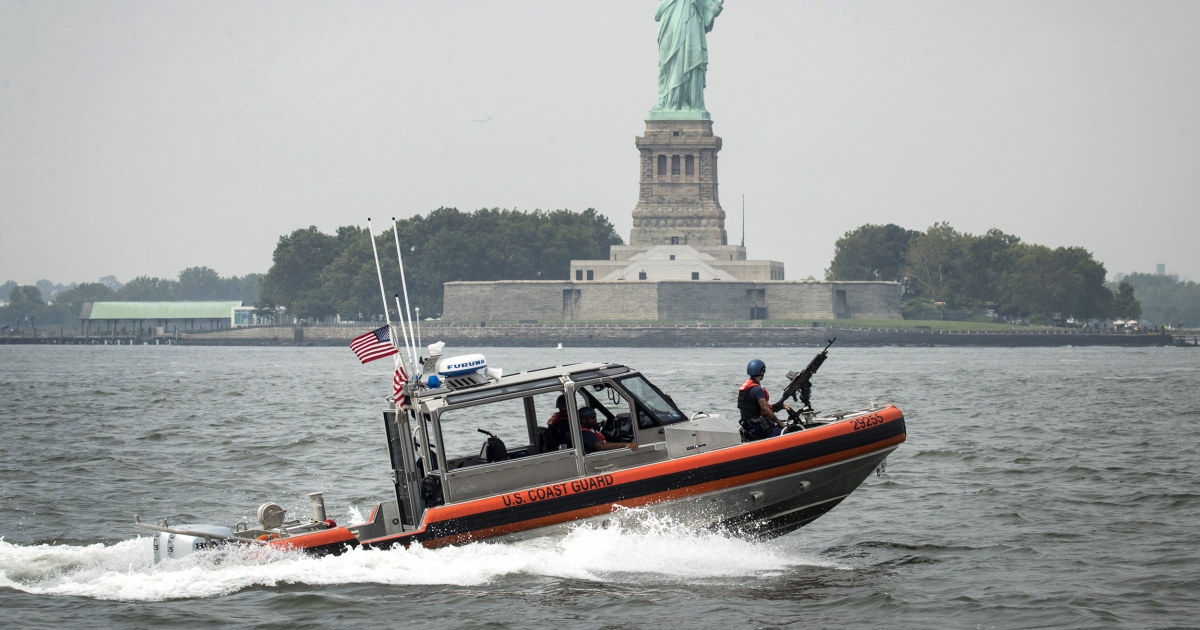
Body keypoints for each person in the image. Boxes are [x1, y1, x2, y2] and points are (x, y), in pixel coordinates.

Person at [651, 0, 724, 113]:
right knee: (670, 58)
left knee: (690, 55)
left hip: (691, 11)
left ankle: (687, 99)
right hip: (671, 9)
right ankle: (667, 100)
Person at [737, 359, 792, 441]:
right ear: (762, 371)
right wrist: (779, 422)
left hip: (748, 427)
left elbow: (754, 407)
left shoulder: (745, 388)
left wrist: (781, 406)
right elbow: (765, 409)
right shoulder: (757, 389)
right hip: (758, 428)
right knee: (787, 434)